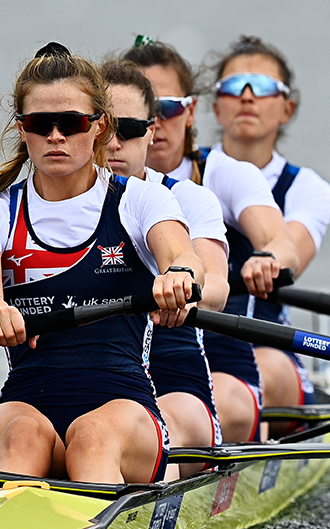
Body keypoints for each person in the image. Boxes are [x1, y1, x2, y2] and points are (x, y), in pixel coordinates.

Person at [0, 43, 203, 485]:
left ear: (99, 127)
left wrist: (179, 277)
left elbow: (183, 256)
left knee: (91, 436)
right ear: (22, 129)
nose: (55, 136)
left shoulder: (140, 199)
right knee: (21, 438)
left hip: (124, 407)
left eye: (69, 123)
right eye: (39, 124)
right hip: (27, 400)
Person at [123, 37, 299, 444]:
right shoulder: (98, 188)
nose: (155, 124)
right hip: (126, 367)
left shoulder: (222, 175)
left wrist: (267, 257)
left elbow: (280, 240)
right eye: (134, 117)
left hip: (222, 363)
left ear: (190, 111)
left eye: (166, 110)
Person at [101, 58, 227, 477]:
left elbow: (217, 289)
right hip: (91, 386)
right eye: (104, 129)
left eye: (130, 130)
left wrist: (182, 289)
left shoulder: (188, 199)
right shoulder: (52, 206)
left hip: (176, 386)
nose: (115, 144)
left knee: (150, 427)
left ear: (151, 131)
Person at [209, 36, 330, 413]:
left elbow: (289, 255)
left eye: (263, 87)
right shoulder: (183, 178)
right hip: (186, 352)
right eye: (234, 86)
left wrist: (268, 260)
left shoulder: (308, 189)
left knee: (251, 371)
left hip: (268, 353)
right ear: (216, 108)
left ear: (287, 108)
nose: (247, 97)